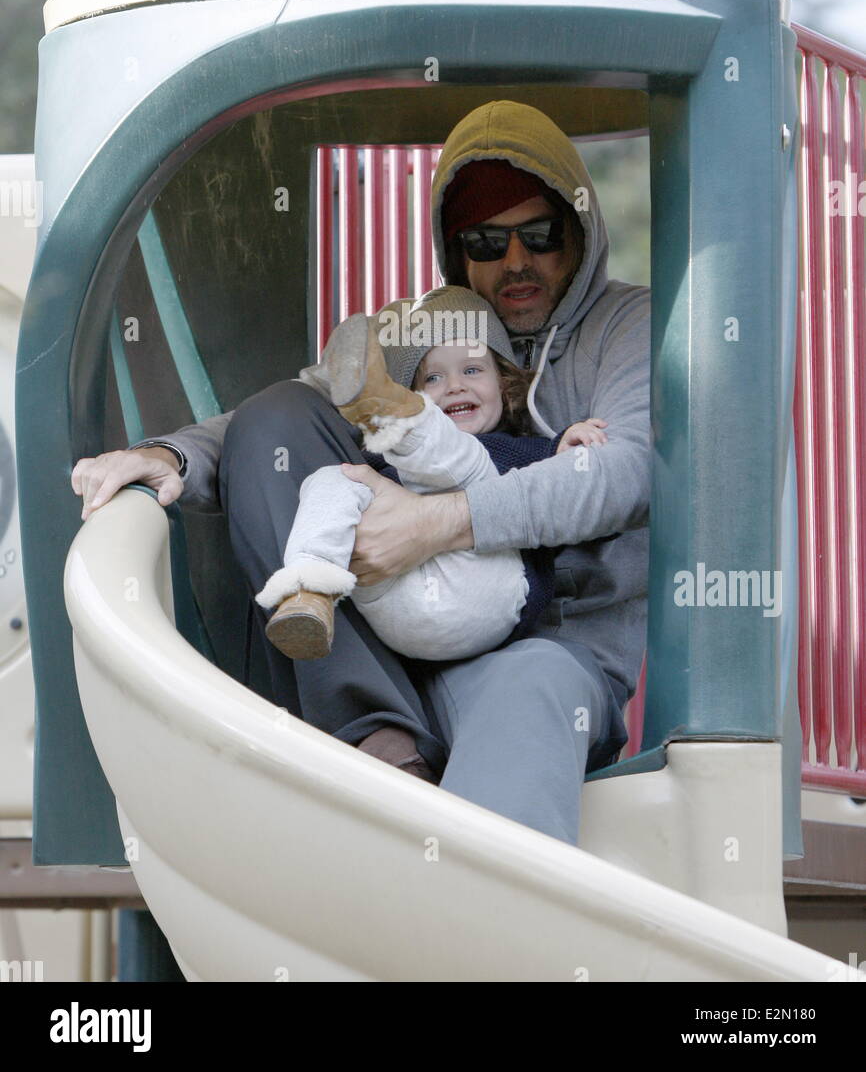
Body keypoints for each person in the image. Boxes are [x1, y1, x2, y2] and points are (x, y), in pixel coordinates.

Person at [71, 100, 651, 844]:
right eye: (484, 239)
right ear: (454, 251)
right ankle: (378, 743)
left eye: (539, 234)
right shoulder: (432, 330)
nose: (515, 262)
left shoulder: (626, 326)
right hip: (399, 650)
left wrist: (436, 526)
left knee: (528, 686)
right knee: (278, 416)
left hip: (541, 650)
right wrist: (168, 454)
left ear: (581, 230)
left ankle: (481, 938)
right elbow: (282, 419)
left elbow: (621, 473)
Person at [256, 287, 608, 662]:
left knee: (463, 459)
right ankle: (309, 591)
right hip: (397, 603)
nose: (455, 386)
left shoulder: (517, 450)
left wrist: (566, 449)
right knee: (336, 479)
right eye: (432, 380)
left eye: (471, 370)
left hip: (487, 591)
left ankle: (391, 413)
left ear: (505, 386)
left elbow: (580, 504)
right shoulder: (387, 468)